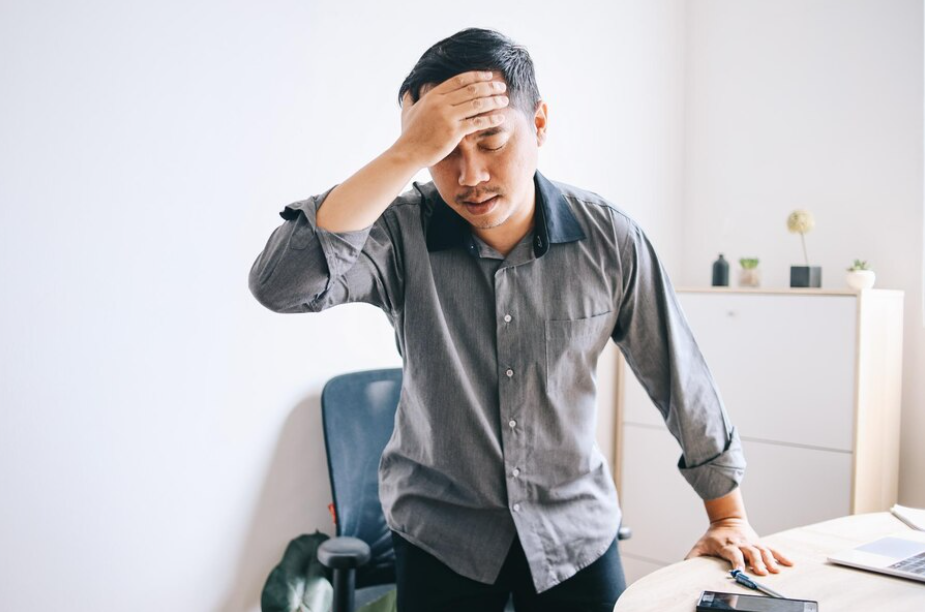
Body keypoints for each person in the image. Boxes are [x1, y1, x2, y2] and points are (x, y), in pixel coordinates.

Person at [249, 27, 792, 612]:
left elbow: (680, 377)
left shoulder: (611, 240)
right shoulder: (397, 233)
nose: (470, 175)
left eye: (490, 141)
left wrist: (727, 515)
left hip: (575, 536)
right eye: (443, 151)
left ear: (538, 124)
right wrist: (405, 153)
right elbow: (281, 285)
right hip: (440, 538)